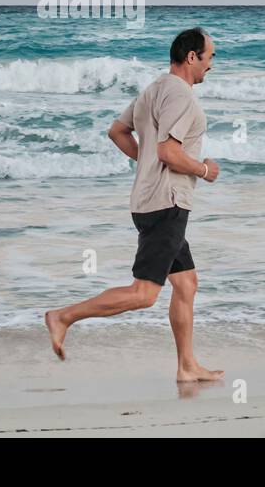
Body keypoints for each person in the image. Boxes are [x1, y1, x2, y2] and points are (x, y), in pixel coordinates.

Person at [44, 27, 224, 383]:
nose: (211, 65)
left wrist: (149, 165)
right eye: (209, 57)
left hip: (148, 200)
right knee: (144, 294)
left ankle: (187, 366)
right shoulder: (182, 97)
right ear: (192, 57)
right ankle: (63, 317)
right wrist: (204, 170)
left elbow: (117, 132)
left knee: (186, 284)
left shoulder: (153, 89)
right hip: (167, 203)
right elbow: (169, 152)